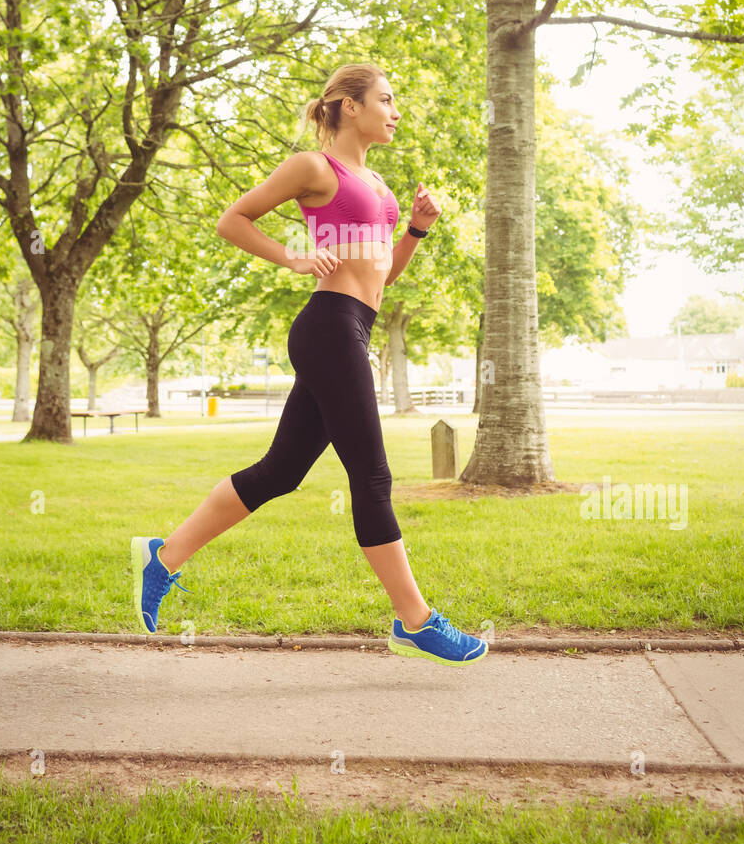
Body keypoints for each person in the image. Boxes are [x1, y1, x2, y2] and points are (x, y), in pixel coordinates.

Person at [131, 62, 487, 666]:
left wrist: (417, 232)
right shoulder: (314, 168)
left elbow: (381, 279)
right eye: (387, 100)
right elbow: (233, 220)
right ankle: (416, 621)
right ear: (349, 106)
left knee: (280, 472)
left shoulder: (382, 190)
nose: (395, 112)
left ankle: (161, 557)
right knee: (372, 478)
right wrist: (292, 257)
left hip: (355, 327)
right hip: (327, 329)